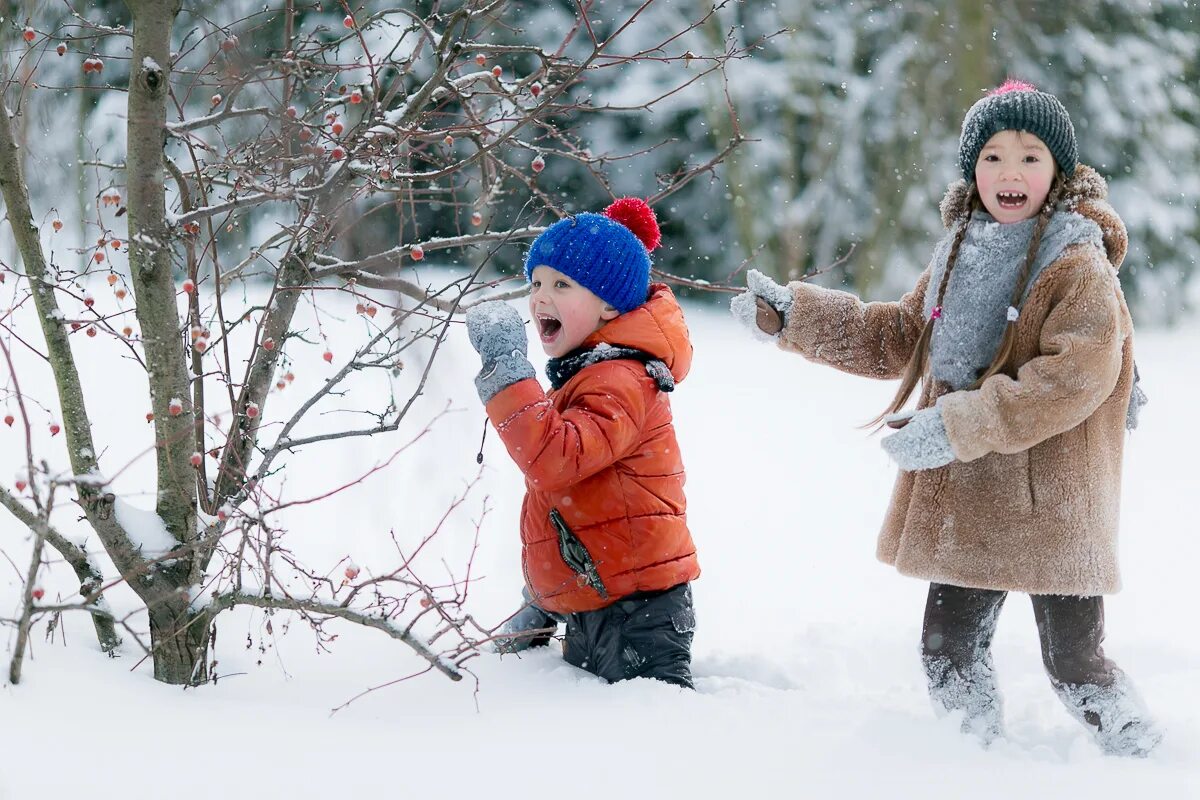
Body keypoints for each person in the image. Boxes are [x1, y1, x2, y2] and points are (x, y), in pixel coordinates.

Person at [731, 80, 1159, 755]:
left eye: (1028, 156)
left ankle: (1144, 759)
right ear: (971, 172)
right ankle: (975, 765)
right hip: (973, 500)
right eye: (991, 157)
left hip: (1053, 500)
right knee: (946, 652)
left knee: (1074, 664)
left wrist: (957, 425)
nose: (1009, 173)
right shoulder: (961, 252)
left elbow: (1074, 379)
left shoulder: (1079, 265)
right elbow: (900, 336)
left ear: (1058, 171)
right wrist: (796, 318)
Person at [465, 197, 700, 688]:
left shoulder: (620, 379)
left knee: (649, 737)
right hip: (600, 602)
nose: (540, 297)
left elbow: (555, 460)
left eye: (561, 285)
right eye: (536, 283)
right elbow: (577, 507)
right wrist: (543, 601)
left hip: (638, 615)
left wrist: (507, 371)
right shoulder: (589, 374)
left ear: (610, 304)